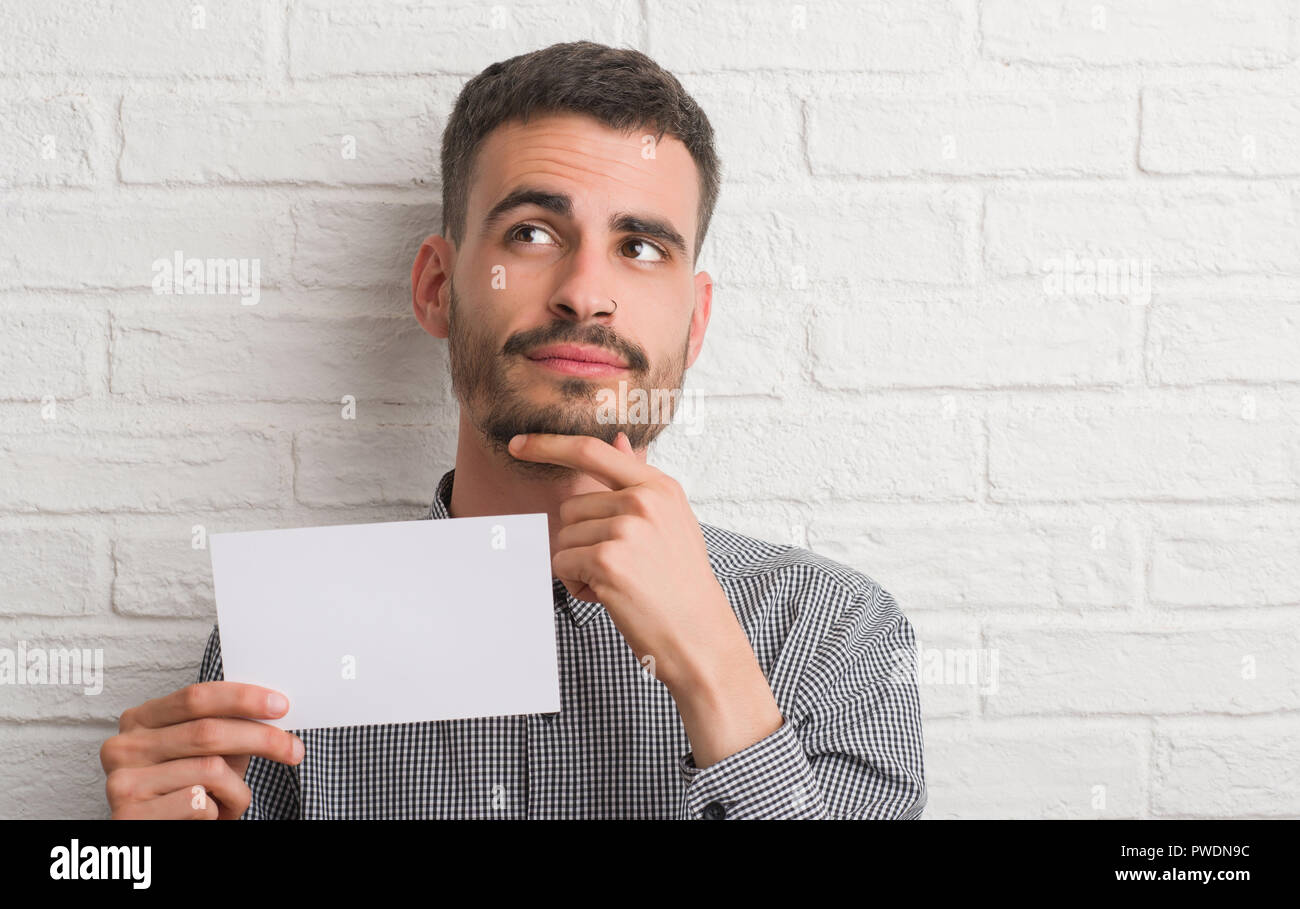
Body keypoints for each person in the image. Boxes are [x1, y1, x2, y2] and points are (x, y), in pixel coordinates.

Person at [100, 40, 926, 820]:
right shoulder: (282, 648)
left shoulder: (834, 634)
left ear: (696, 322)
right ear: (436, 288)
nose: (584, 293)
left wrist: (717, 670)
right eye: (532, 233)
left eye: (640, 247)